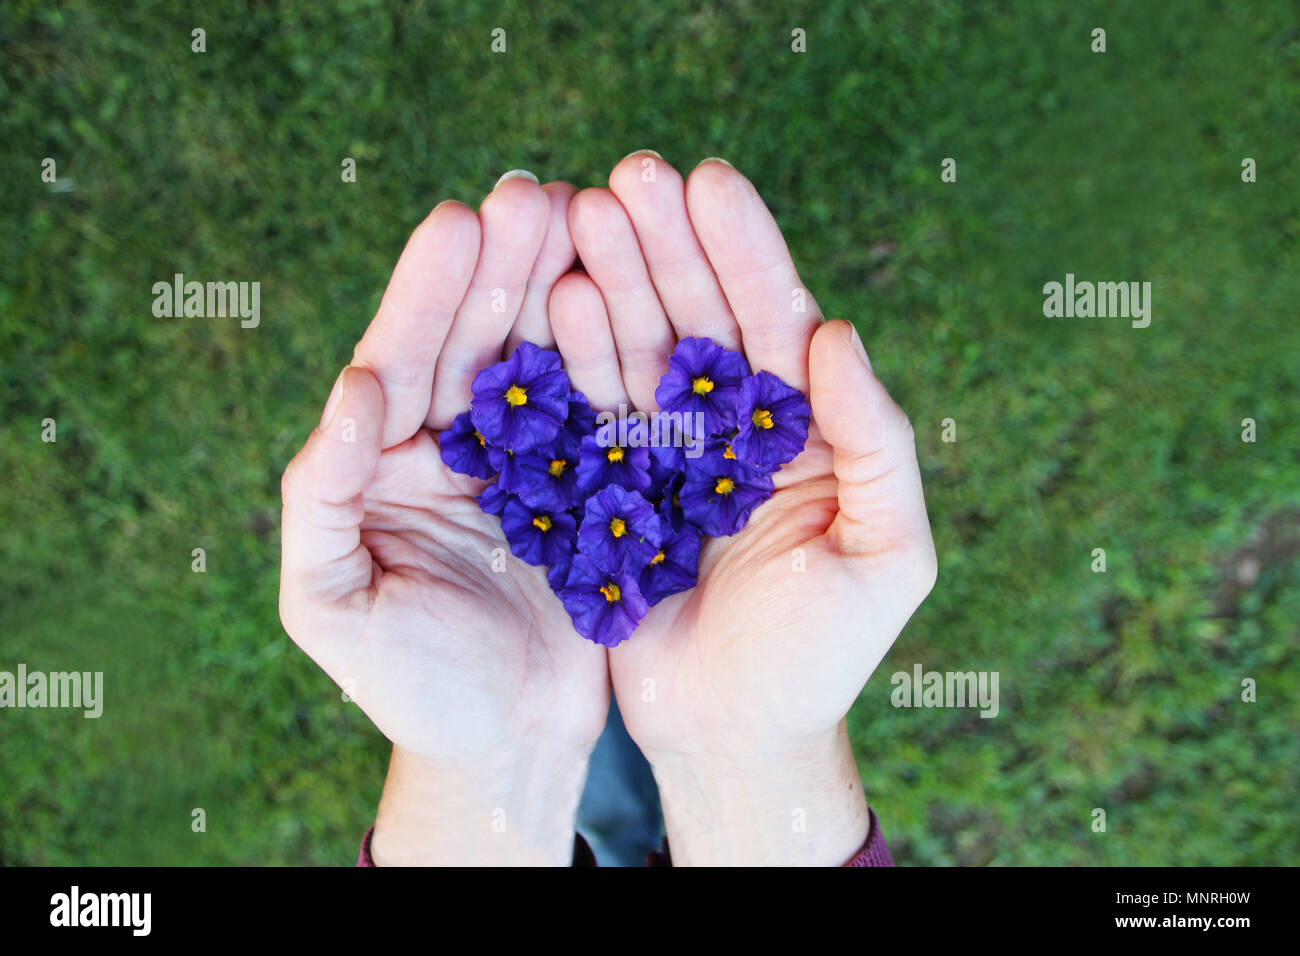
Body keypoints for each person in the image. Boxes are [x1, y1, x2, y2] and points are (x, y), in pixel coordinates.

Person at [278, 153, 937, 866]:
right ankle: (622, 811)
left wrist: (490, 772)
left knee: (606, 767)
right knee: (622, 768)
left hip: (594, 585)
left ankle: (605, 808)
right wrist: (749, 763)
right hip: (646, 586)